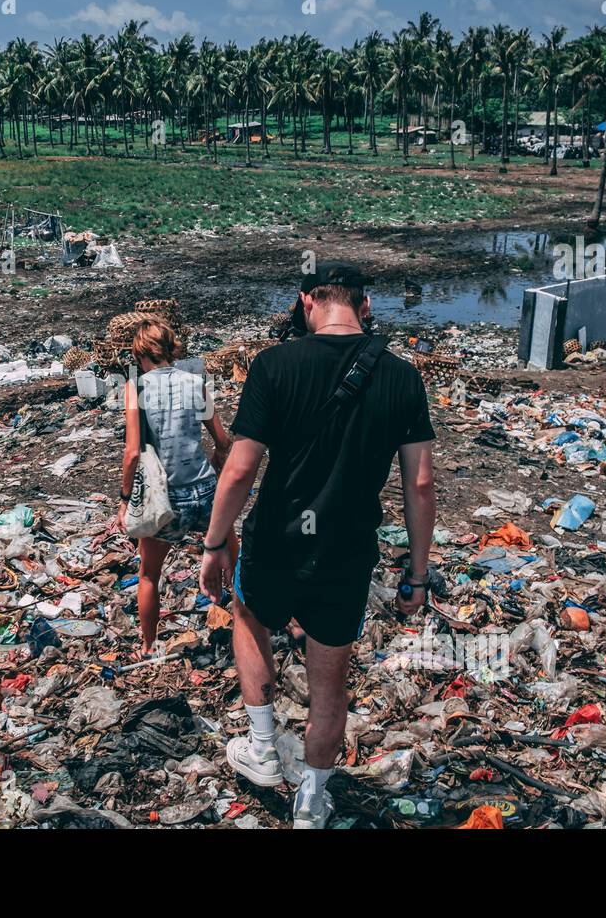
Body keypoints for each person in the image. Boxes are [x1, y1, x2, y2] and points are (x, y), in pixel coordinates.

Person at [199, 261, 437, 828]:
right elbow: (420, 483)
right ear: (365, 305)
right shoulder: (402, 377)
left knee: (250, 620)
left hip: (277, 539)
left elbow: (239, 469)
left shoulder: (274, 364)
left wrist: (214, 544)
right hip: (345, 550)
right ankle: (312, 799)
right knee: (330, 678)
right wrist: (418, 575)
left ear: (307, 303)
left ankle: (261, 747)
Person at [118, 319, 234, 658]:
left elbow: (131, 452)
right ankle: (244, 623)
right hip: (207, 490)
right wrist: (213, 467)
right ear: (171, 348)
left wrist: (125, 500)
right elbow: (224, 441)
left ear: (140, 353)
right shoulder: (196, 382)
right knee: (232, 562)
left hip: (166, 499)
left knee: (149, 575)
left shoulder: (135, 387)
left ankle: (149, 646)